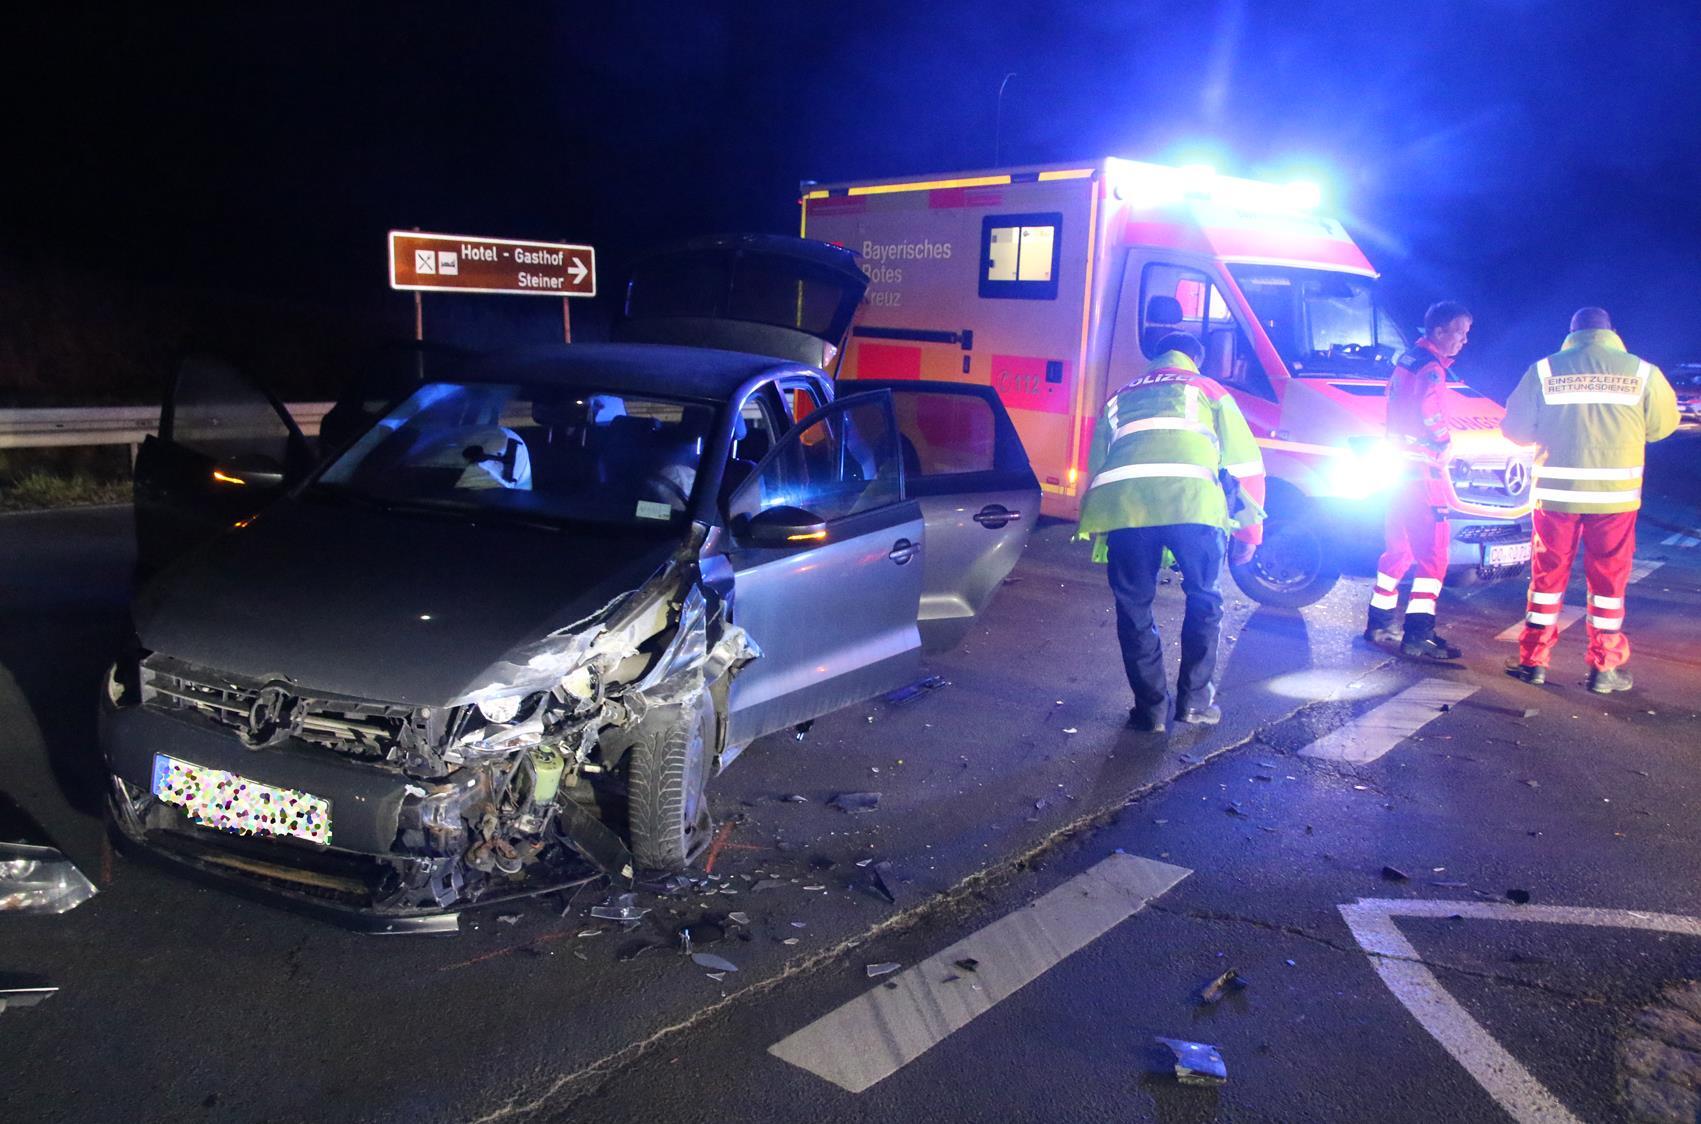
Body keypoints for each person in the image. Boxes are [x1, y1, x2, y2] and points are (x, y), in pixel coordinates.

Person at [1078, 331, 1266, 732]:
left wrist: (1099, 527)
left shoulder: (1120, 396)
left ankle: (1150, 711)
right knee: (1204, 599)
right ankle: (1195, 704)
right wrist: (1250, 534)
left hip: (1128, 512)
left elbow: (1097, 467)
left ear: (1155, 358)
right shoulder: (1208, 390)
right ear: (1194, 358)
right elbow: (1245, 465)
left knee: (1134, 609)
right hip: (1193, 508)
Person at [1501, 307, 1677, 693]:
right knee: (1609, 584)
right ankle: (1604, 668)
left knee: (1547, 579)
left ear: (1572, 333)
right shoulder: (1641, 371)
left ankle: (1533, 662)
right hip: (1615, 500)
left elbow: (1514, 428)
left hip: (1555, 499)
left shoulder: (1544, 370)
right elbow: (1663, 426)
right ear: (1611, 332)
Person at [1363, 301, 1473, 660]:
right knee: (1434, 557)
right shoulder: (1431, 369)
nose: (1463, 341)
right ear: (1440, 331)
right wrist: (1442, 439)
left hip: (1397, 471)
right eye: (1460, 332)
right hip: (1422, 474)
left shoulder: (1406, 361)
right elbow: (1429, 410)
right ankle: (1418, 634)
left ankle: (1378, 622)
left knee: (1398, 549)